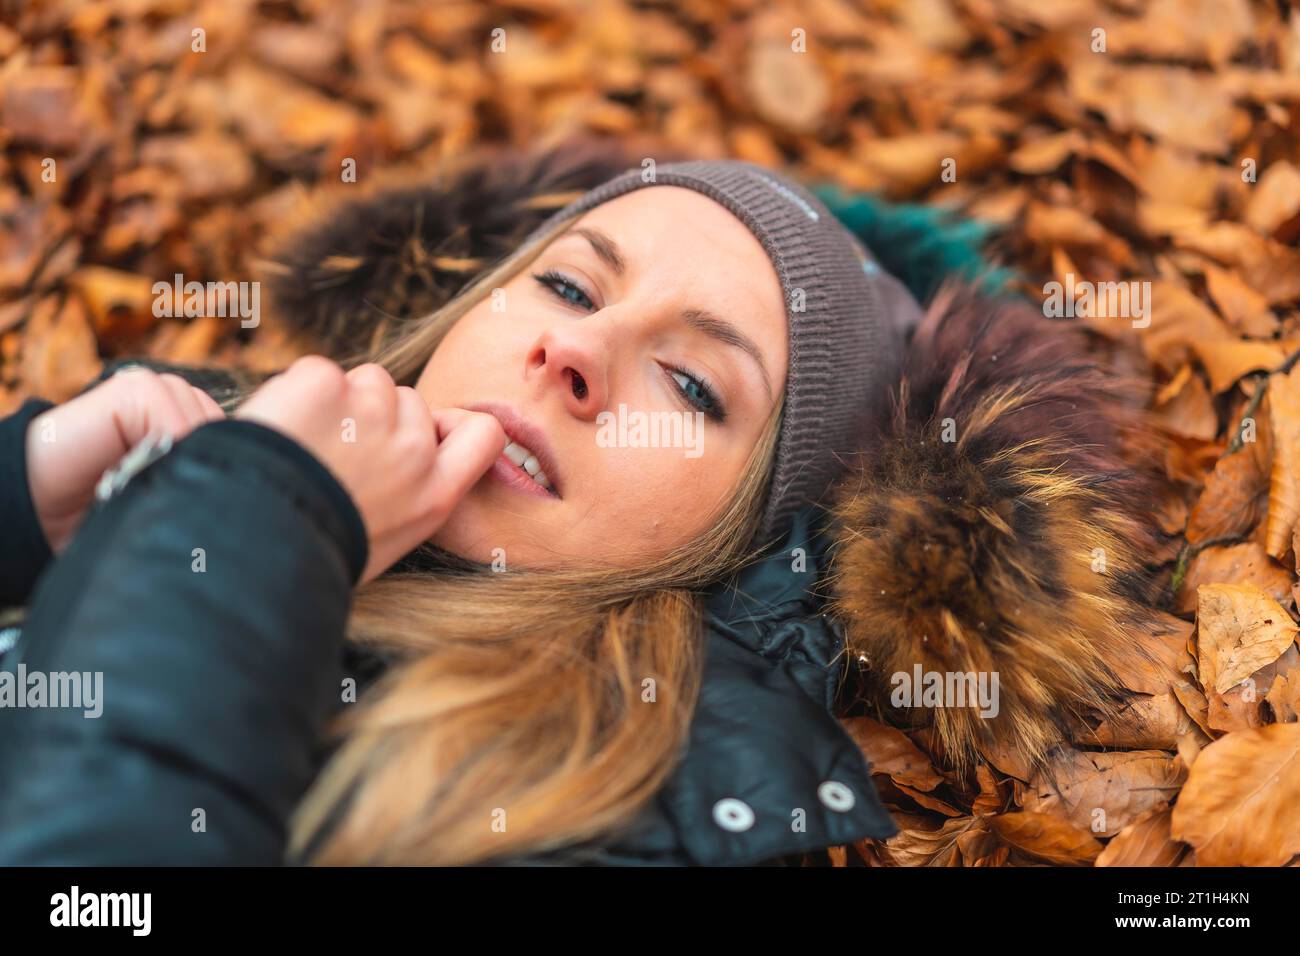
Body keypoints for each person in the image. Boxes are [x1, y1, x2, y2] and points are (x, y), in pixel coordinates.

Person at [0, 148, 1163, 865]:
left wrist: (250, 522)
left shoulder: (602, 812)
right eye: (567, 282)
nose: (576, 350)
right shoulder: (160, 459)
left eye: (693, 383)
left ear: (750, 540)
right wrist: (17, 507)